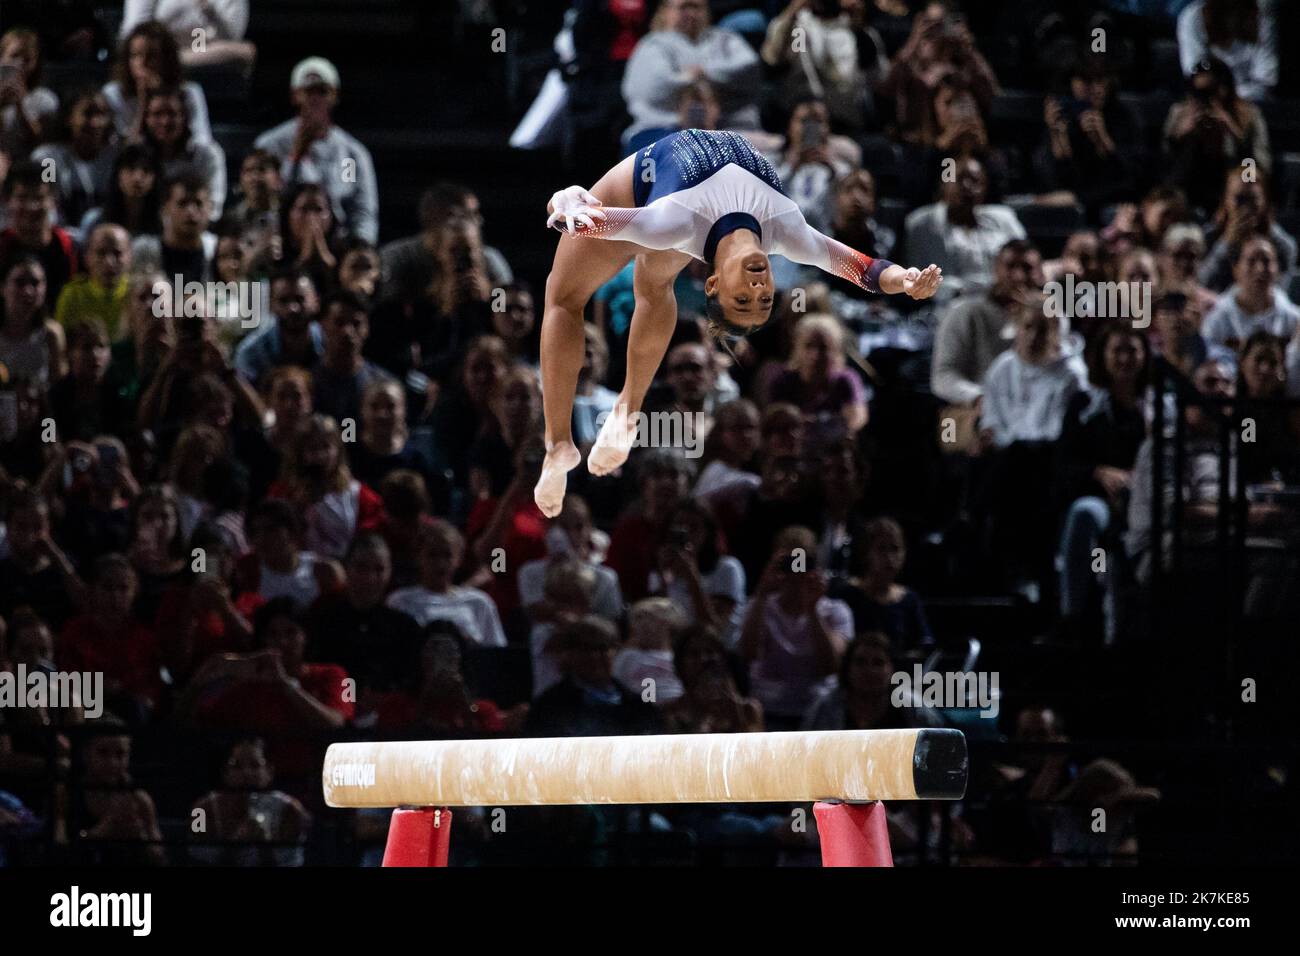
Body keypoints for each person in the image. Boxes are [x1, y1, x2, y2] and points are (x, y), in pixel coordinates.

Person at [532, 127, 942, 516]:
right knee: (654, 284)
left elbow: (581, 219)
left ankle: (559, 445)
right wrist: (905, 280)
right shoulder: (786, 230)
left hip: (649, 179)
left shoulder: (670, 223)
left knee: (564, 296)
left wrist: (565, 202)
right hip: (683, 198)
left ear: (712, 284)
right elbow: (863, 270)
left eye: (742, 298)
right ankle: (627, 410)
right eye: (763, 300)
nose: (760, 288)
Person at [1054, 326, 1150, 634]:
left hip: (1148, 500)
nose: (1124, 359)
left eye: (1132, 351)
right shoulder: (1083, 405)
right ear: (1103, 357)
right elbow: (1065, 463)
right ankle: (1072, 615)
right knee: (1084, 513)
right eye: (1117, 351)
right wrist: (1098, 472)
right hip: (1101, 498)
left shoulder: (1158, 406)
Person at [253, 57, 378, 243]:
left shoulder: (350, 155)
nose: (315, 99)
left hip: (337, 244)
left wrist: (358, 247)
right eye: (308, 91)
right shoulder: (271, 145)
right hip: (280, 242)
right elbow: (266, 200)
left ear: (334, 96)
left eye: (322, 92)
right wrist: (296, 156)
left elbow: (360, 209)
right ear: (295, 95)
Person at [737, 526, 851, 728]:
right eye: (789, 562)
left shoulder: (835, 610)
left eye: (803, 561)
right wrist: (762, 593)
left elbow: (831, 667)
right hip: (769, 709)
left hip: (817, 709)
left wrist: (812, 610)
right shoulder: (760, 606)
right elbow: (747, 654)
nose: (796, 569)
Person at [619, 0, 761, 148]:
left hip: (731, 127)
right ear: (666, 11)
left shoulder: (725, 39)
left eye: (697, 7)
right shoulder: (653, 43)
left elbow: (748, 66)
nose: (692, 14)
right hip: (662, 128)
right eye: (684, 7)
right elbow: (655, 86)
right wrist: (692, 81)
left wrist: (704, 72)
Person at [902, 155, 1025, 301]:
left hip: (1000, 301)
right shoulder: (923, 223)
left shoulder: (1003, 218)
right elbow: (917, 278)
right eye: (960, 179)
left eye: (975, 181)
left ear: (984, 189)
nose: (967, 186)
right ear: (944, 183)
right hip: (946, 305)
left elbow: (1026, 258)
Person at [188, 737, 311, 867]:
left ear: (269, 771)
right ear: (225, 773)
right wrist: (234, 844)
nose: (246, 773)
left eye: (255, 765)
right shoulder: (200, 810)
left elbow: (292, 862)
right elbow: (196, 858)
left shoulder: (291, 810)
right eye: (237, 766)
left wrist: (265, 846)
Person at [386, 519, 508, 648]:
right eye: (432, 555)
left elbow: (495, 652)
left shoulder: (479, 602)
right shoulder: (401, 601)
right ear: (418, 557)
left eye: (447, 555)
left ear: (458, 559)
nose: (441, 564)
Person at [103, 20, 212, 142]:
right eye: (135, 55)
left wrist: (163, 97)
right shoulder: (114, 94)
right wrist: (143, 103)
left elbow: (202, 141)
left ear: (166, 59)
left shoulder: (189, 92)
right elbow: (122, 150)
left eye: (151, 56)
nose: (142, 63)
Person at [29, 89, 116, 231]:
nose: (95, 122)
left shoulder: (113, 158)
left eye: (101, 114)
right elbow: (46, 200)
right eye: (88, 114)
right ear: (69, 118)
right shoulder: (48, 159)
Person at [1200, 235, 1299, 358]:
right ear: (1236, 269)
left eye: (1266, 261)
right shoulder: (1217, 319)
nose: (1260, 269)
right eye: (1251, 261)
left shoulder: (1294, 319)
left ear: (1277, 268)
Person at [137, 86, 227, 219]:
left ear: (185, 117)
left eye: (172, 114)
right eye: (157, 114)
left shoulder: (207, 153)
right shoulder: (137, 155)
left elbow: (214, 208)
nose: (165, 122)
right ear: (146, 119)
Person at [0, 161, 79, 304]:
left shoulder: (68, 247)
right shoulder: (2, 246)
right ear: (8, 201)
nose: (32, 207)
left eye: (39, 197)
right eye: (22, 198)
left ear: (53, 201)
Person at [1176, 0, 1277, 102]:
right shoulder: (1192, 17)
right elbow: (1195, 73)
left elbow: (1266, 78)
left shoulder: (1261, 16)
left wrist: (1234, 97)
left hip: (1254, 101)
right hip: (1209, 101)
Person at [130, 170, 217, 286]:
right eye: (182, 203)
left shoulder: (216, 251)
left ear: (210, 209)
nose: (191, 211)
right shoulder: (141, 252)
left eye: (198, 203)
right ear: (164, 209)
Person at [54, 223, 131, 340]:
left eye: (117, 253)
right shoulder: (73, 295)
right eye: (101, 253)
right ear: (87, 257)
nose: (109, 262)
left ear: (130, 257)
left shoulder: (137, 293)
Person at [0, 255, 64, 388]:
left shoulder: (51, 334)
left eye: (35, 283)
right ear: (3, 287)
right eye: (19, 282)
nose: (28, 291)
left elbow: (59, 387)